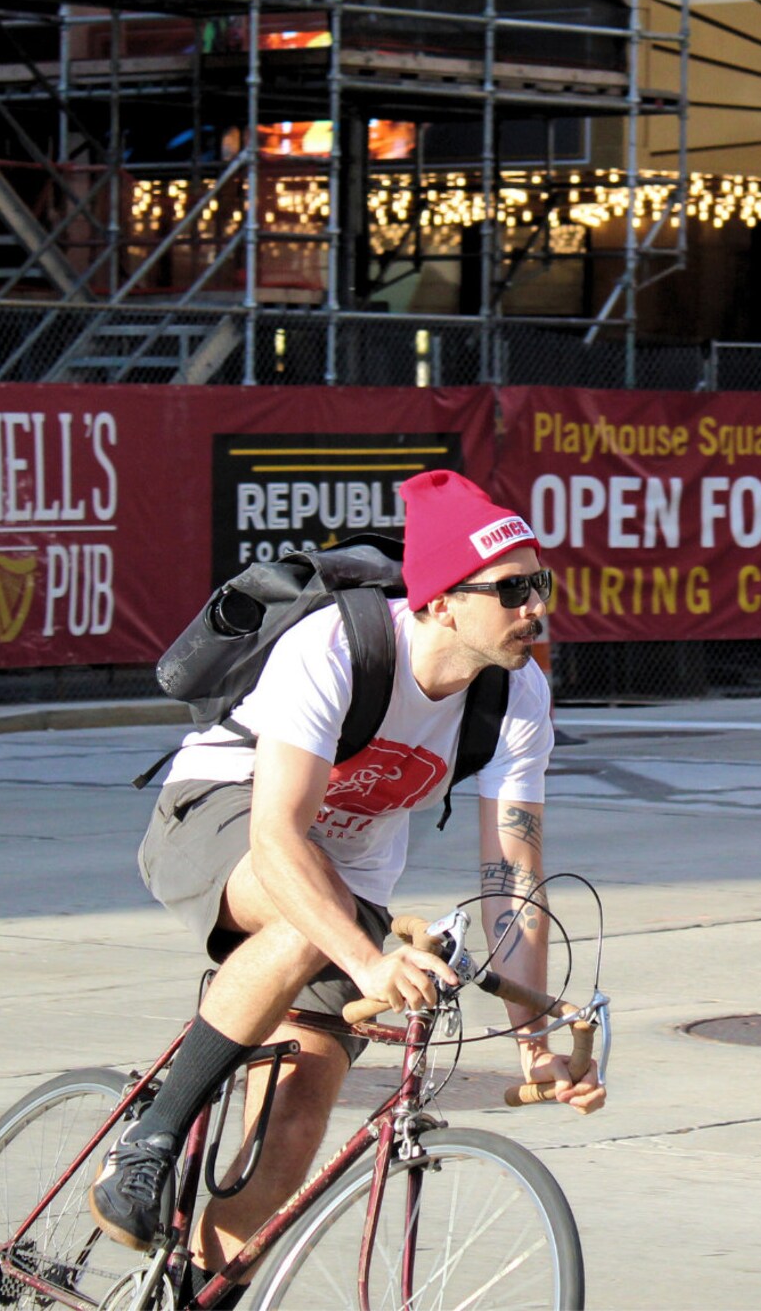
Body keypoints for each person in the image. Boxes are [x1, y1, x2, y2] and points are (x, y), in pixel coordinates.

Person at [90, 469, 606, 1299]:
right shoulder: (335, 646)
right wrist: (368, 961)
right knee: (304, 925)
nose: (535, 606)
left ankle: (187, 1293)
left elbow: (511, 874)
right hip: (221, 815)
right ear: (442, 602)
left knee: (295, 1129)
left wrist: (534, 1041)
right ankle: (147, 1144)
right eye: (512, 590)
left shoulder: (517, 694)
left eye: (539, 583)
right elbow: (277, 839)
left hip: (345, 880)